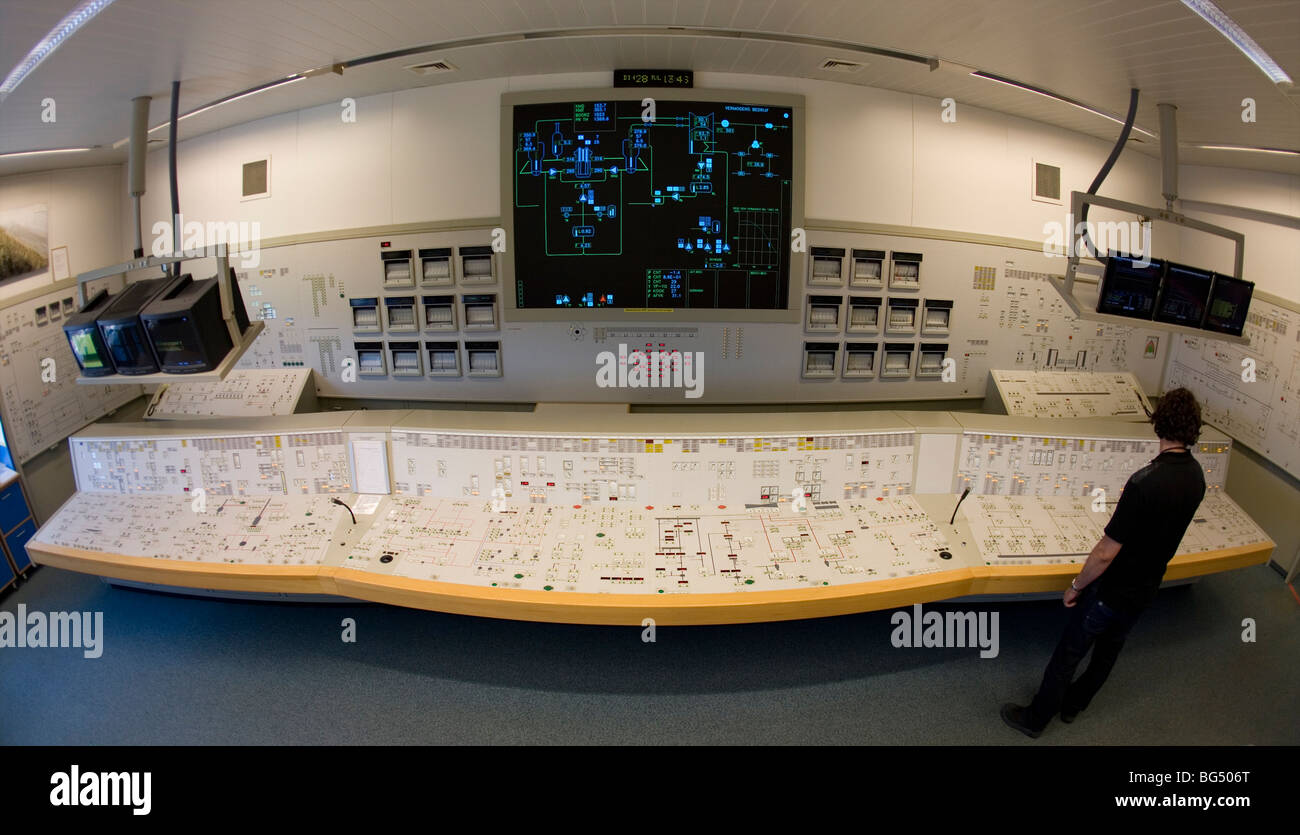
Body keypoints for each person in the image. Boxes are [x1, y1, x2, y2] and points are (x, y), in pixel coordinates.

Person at [1001, 387, 1207, 738]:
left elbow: (1105, 553)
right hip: (1146, 587)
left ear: (1159, 423)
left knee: (1069, 653)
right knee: (1108, 654)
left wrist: (1076, 586)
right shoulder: (1197, 476)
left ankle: (1036, 719)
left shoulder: (1145, 482)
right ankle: (1074, 706)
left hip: (1111, 590)